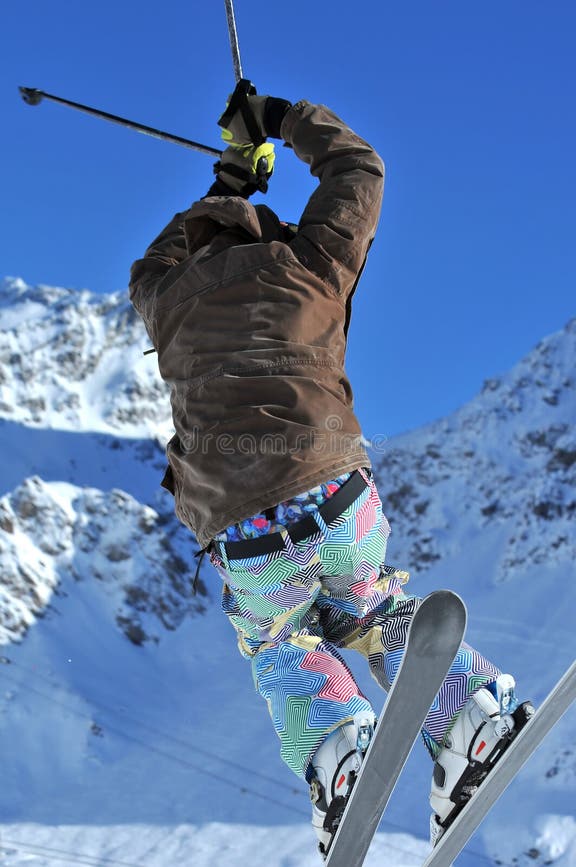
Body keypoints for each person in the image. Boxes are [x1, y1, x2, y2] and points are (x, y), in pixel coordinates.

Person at [129, 85, 532, 855]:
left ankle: (340, 748)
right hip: (339, 496)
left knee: (282, 643)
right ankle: (472, 716)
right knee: (373, 609)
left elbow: (152, 262)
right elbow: (358, 168)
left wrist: (227, 182)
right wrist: (275, 118)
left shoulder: (167, 301)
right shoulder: (310, 265)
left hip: (246, 532)